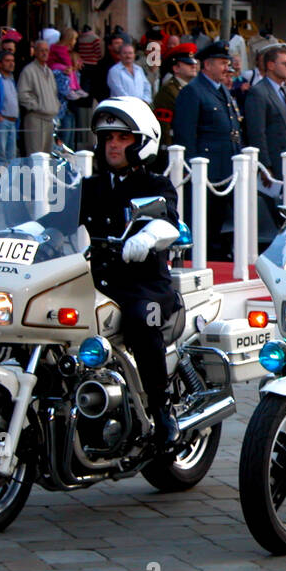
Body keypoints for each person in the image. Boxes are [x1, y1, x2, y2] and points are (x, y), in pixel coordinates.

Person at [74, 99, 181, 447]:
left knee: (140, 319)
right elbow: (55, 224)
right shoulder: (91, 187)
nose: (114, 145)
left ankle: (160, 410)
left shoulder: (154, 185)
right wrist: (23, 231)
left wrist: (148, 236)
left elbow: (168, 223)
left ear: (142, 142)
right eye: (108, 139)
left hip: (143, 286)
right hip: (98, 284)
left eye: (122, 137)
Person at [172, 42, 244, 258]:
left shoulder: (223, 90)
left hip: (227, 170)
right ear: (207, 65)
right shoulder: (193, 92)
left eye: (227, 63)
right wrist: (191, 169)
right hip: (207, 171)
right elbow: (185, 134)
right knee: (206, 224)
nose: (227, 68)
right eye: (222, 63)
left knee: (223, 222)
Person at [243, 43, 286, 181]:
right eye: (285, 64)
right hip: (274, 163)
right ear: (270, 65)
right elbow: (257, 132)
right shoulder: (258, 92)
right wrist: (264, 166)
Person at [17, 39, 60, 155]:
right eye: (41, 50)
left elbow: (54, 93)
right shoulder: (28, 70)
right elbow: (23, 94)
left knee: (47, 156)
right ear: (35, 52)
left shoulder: (49, 72)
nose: (44, 53)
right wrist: (37, 106)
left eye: (46, 50)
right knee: (36, 155)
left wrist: (55, 106)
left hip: (49, 119)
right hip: (35, 118)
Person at [151, 46, 197, 150]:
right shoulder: (168, 90)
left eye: (194, 63)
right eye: (188, 64)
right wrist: (168, 150)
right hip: (177, 146)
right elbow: (164, 125)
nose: (194, 66)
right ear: (176, 68)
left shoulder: (195, 88)